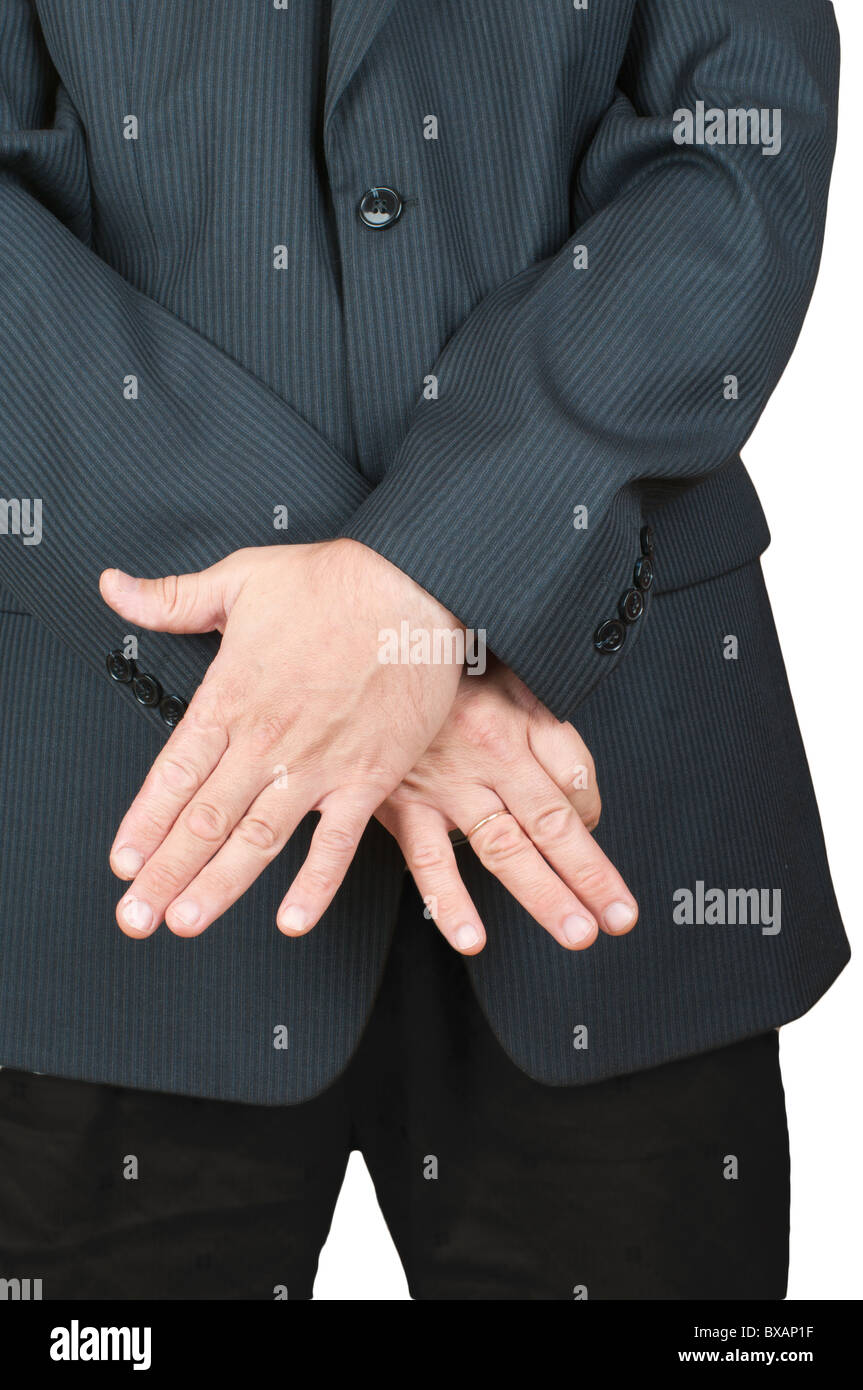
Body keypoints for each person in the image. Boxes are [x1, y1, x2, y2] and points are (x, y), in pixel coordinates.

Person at [0, 0, 849, 1300]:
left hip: (612, 789)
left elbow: (739, 139)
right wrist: (375, 623)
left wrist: (431, 574)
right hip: (115, 828)